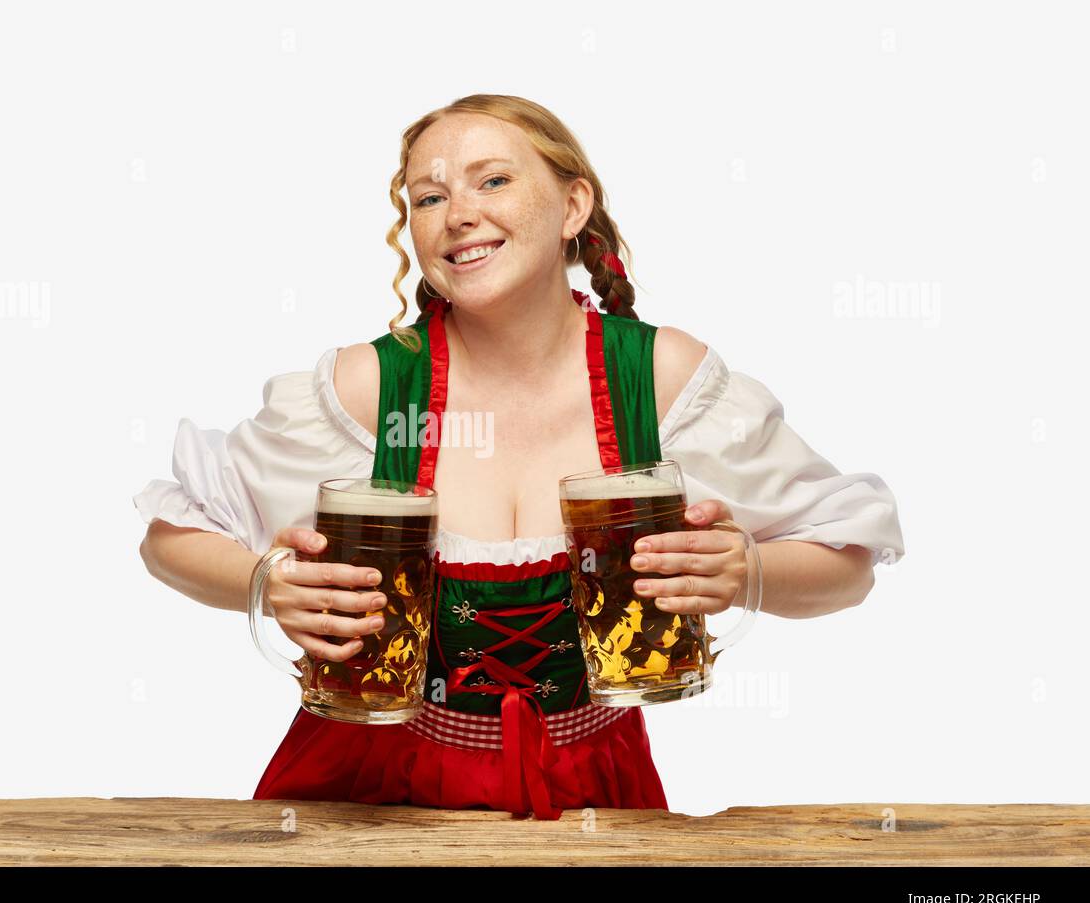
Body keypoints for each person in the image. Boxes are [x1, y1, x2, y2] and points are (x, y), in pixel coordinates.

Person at [133, 94, 906, 821]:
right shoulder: (373, 387)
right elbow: (168, 538)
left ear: (573, 207)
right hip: (364, 792)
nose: (457, 215)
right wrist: (269, 585)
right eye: (427, 198)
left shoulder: (659, 379)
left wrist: (746, 572)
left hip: (590, 795)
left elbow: (851, 560)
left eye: (492, 181)